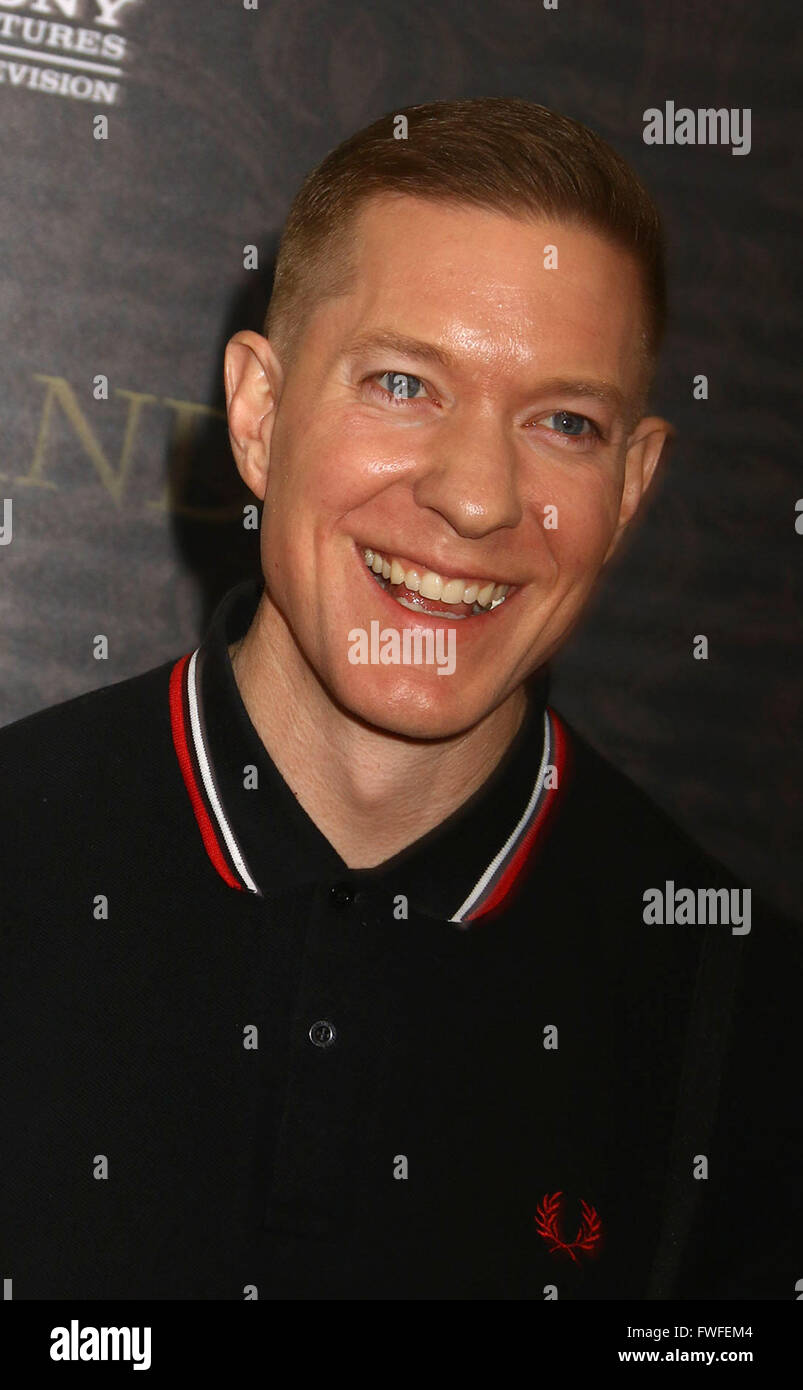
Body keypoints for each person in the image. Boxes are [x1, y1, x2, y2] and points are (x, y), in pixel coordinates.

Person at [1, 98, 799, 1301]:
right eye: (401, 384)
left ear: (630, 488)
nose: (476, 496)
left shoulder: (744, 1032)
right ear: (261, 417)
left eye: (563, 422)